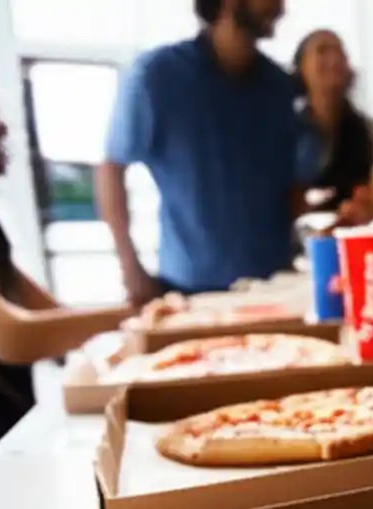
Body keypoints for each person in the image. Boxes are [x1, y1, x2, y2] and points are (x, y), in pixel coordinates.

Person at [0, 38, 130, 502]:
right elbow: (14, 337)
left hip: (3, 438)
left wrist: (127, 328)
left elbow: (50, 316)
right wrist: (135, 310)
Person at [97, 0, 311, 304]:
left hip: (275, 290)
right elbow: (111, 168)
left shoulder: (279, 87)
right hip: (190, 293)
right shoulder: (157, 76)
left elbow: (291, 189)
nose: (281, 7)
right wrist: (130, 266)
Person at [293, 29, 373, 214]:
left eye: (340, 52)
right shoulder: (283, 137)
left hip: (362, 240)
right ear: (300, 70)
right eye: (322, 50)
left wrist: (372, 210)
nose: (334, 59)